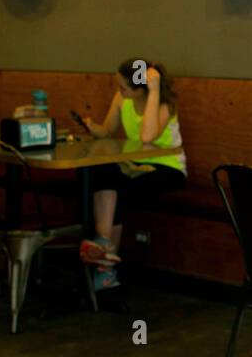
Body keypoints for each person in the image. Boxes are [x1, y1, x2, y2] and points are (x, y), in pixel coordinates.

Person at [79, 59, 188, 292]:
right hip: (135, 165)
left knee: (118, 190)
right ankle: (105, 250)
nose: (119, 91)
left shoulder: (163, 104)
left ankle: (105, 263)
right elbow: (108, 130)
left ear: (141, 88)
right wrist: (92, 127)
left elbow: (147, 137)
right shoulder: (122, 99)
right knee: (102, 171)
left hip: (167, 169)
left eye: (124, 87)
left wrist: (155, 91)